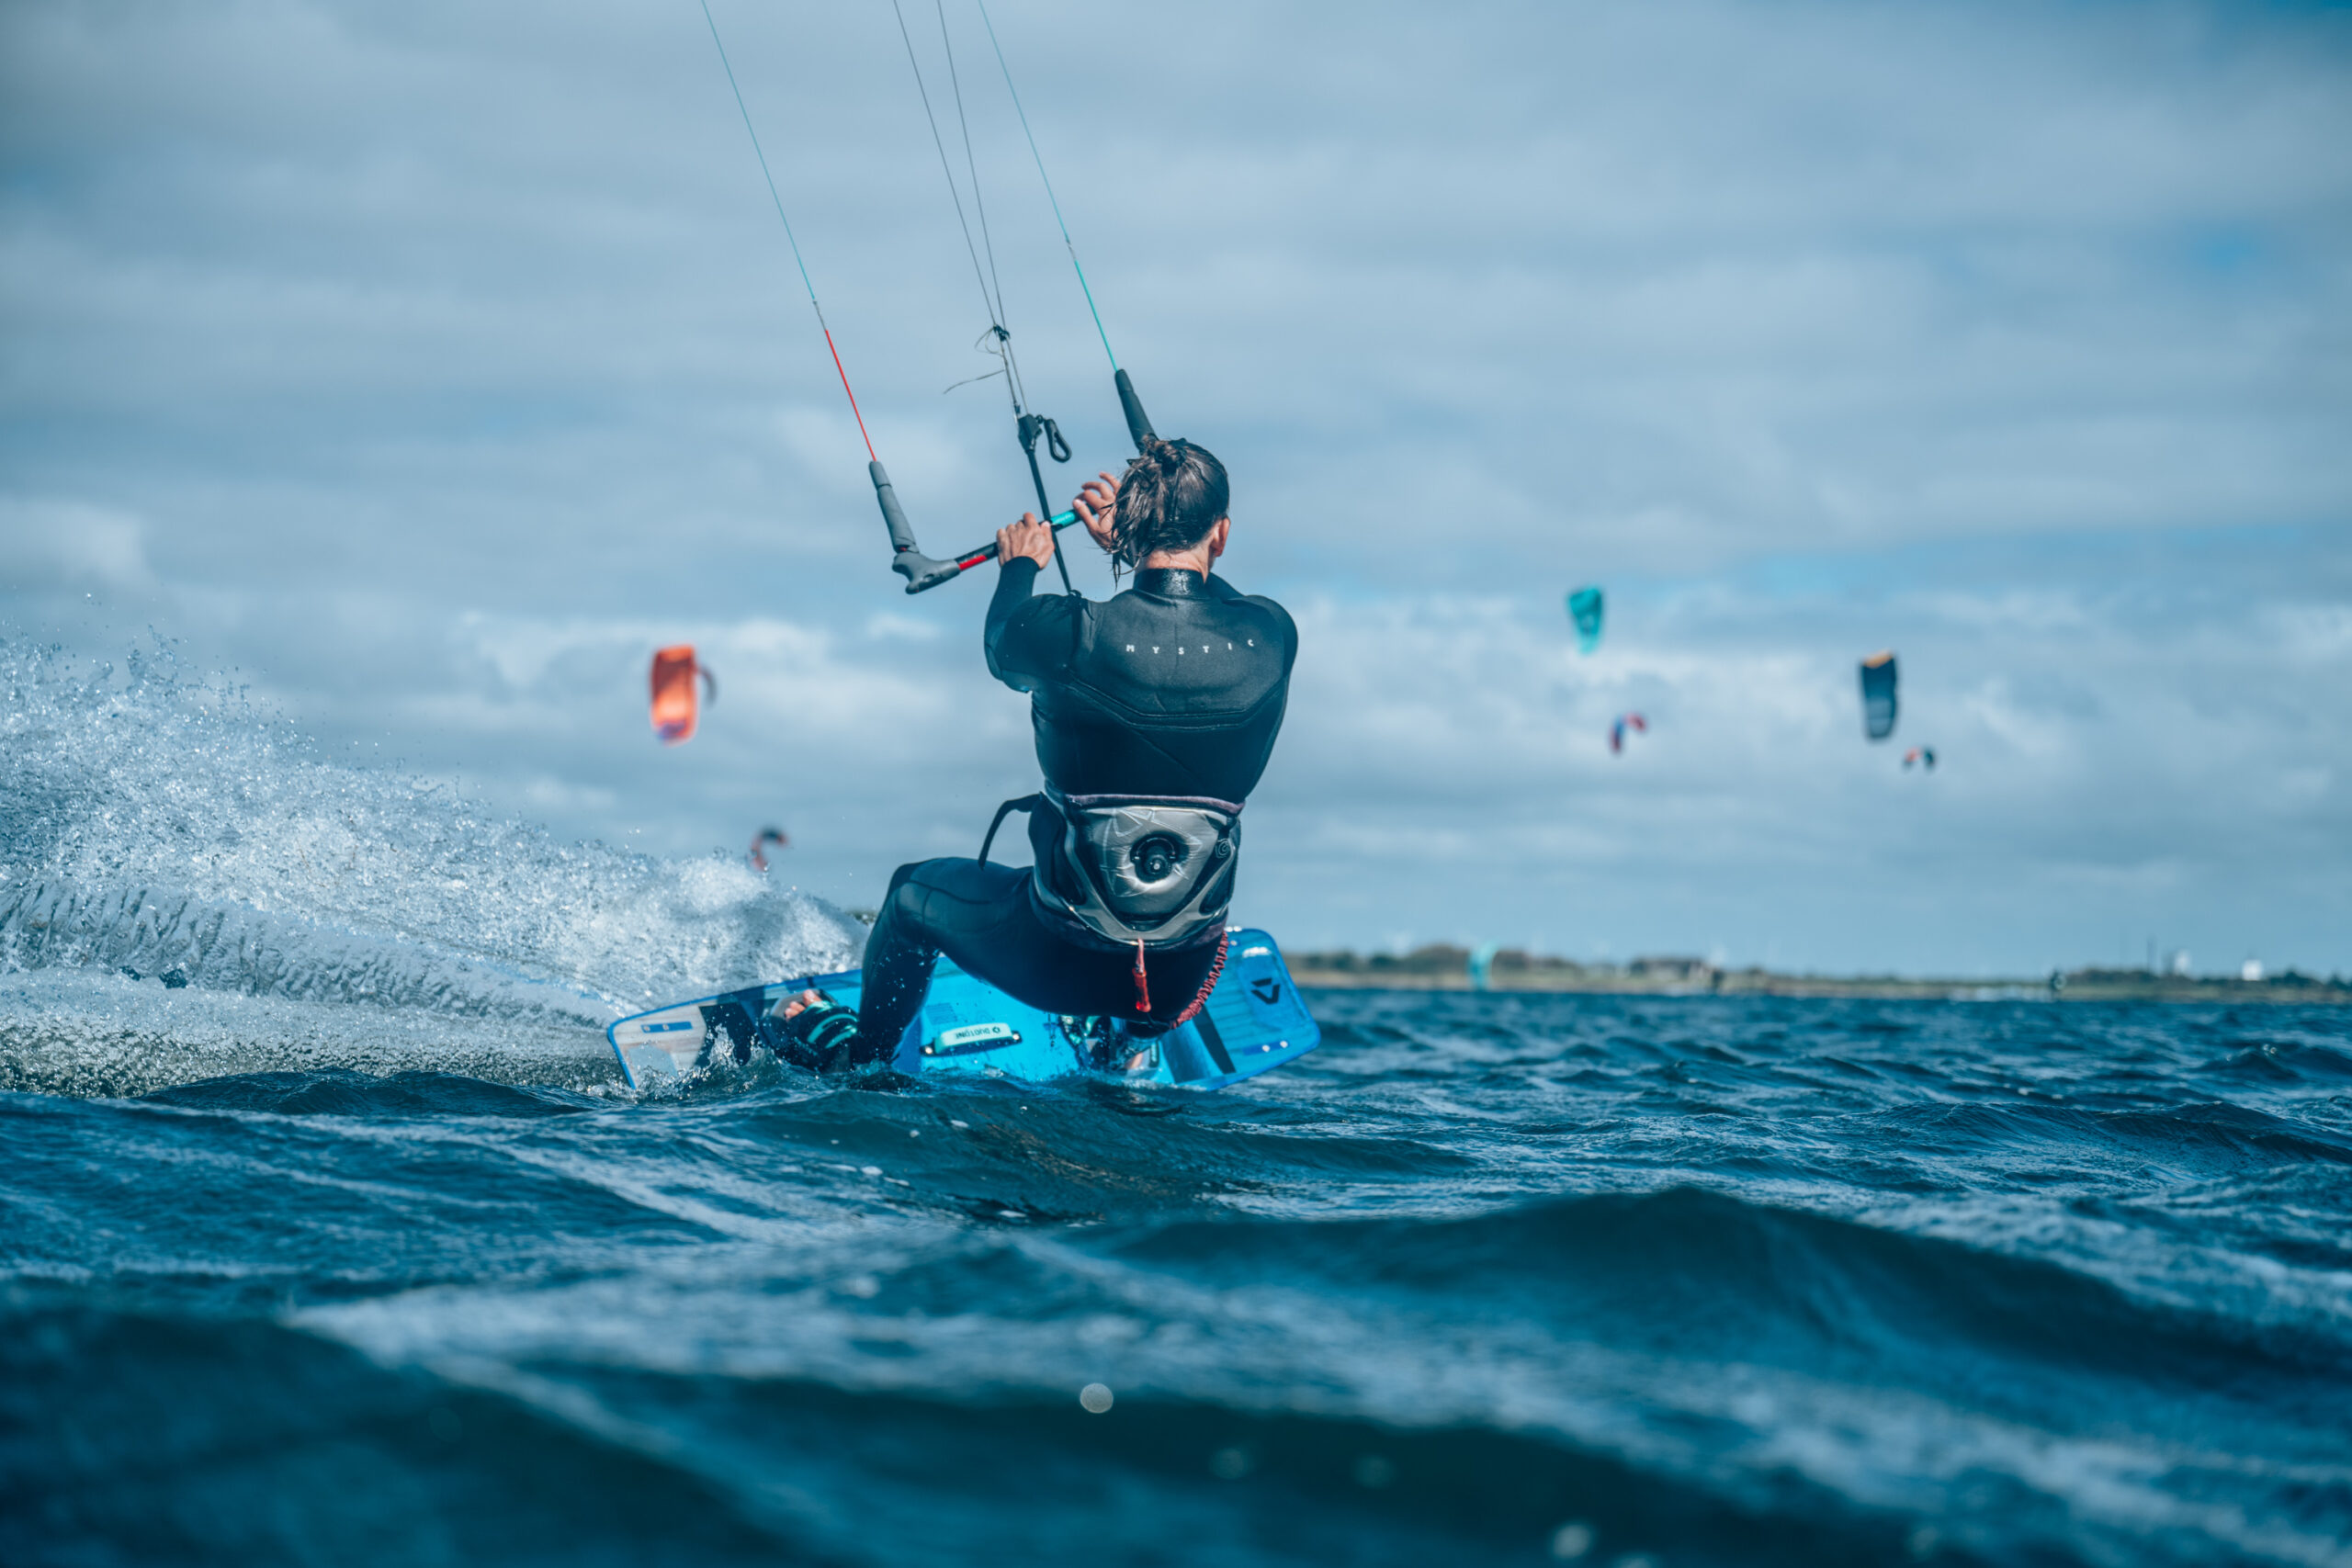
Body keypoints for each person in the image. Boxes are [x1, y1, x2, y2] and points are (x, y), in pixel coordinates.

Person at [775, 436, 1296, 1069]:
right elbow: (1217, 604)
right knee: (1165, 941)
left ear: (1134, 528)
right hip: (1179, 979)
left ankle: (865, 1063)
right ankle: (1126, 1046)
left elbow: (1001, 644)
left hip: (1055, 960)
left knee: (909, 892)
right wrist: (1137, 545)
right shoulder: (1271, 636)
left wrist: (1020, 563)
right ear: (1222, 534)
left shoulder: (1069, 634)